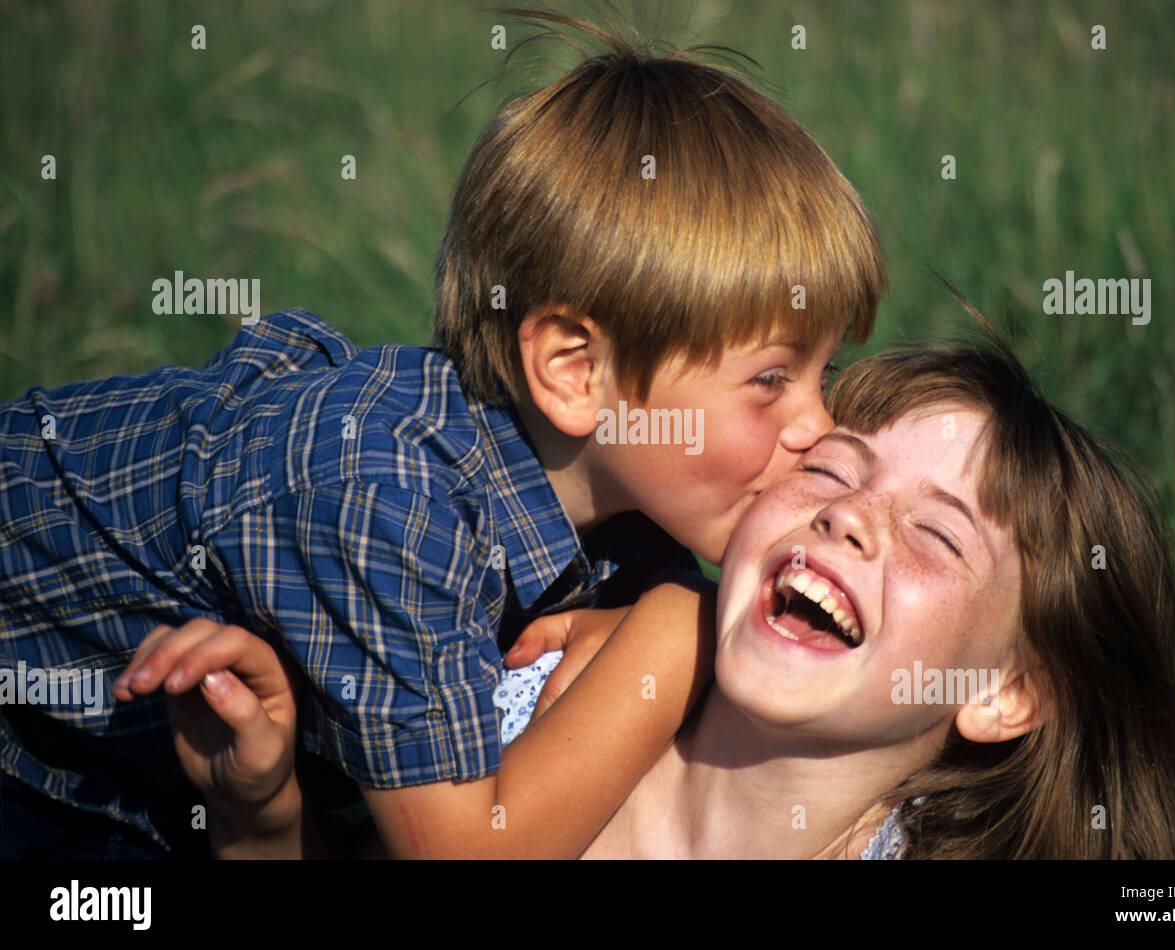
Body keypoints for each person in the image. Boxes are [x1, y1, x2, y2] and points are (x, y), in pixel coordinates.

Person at [0, 9, 887, 859]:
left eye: (824, 375)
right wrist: (672, 629)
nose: (817, 425)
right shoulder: (388, 497)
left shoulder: (629, 511)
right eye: (771, 380)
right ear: (576, 373)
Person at [140, 331, 1175, 858]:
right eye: (828, 469)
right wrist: (260, 820)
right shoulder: (520, 696)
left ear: (1005, 691)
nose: (848, 515)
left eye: (933, 532)